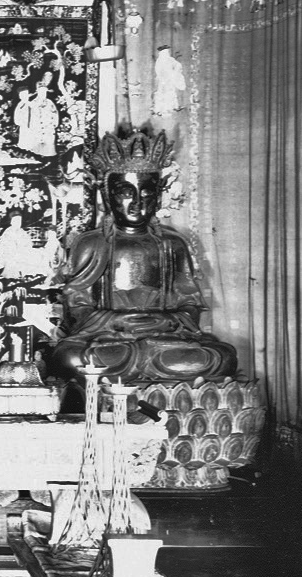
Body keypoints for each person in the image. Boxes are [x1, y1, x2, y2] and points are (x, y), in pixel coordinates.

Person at [53, 128, 237, 385]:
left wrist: (164, 321)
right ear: (108, 196)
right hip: (110, 338)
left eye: (147, 192)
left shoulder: (172, 244)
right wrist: (117, 321)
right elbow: (77, 306)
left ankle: (143, 367)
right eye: (126, 192)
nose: (138, 202)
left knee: (223, 356)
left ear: (158, 196)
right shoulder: (92, 242)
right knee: (70, 358)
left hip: (163, 338)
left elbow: (190, 304)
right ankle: (152, 370)